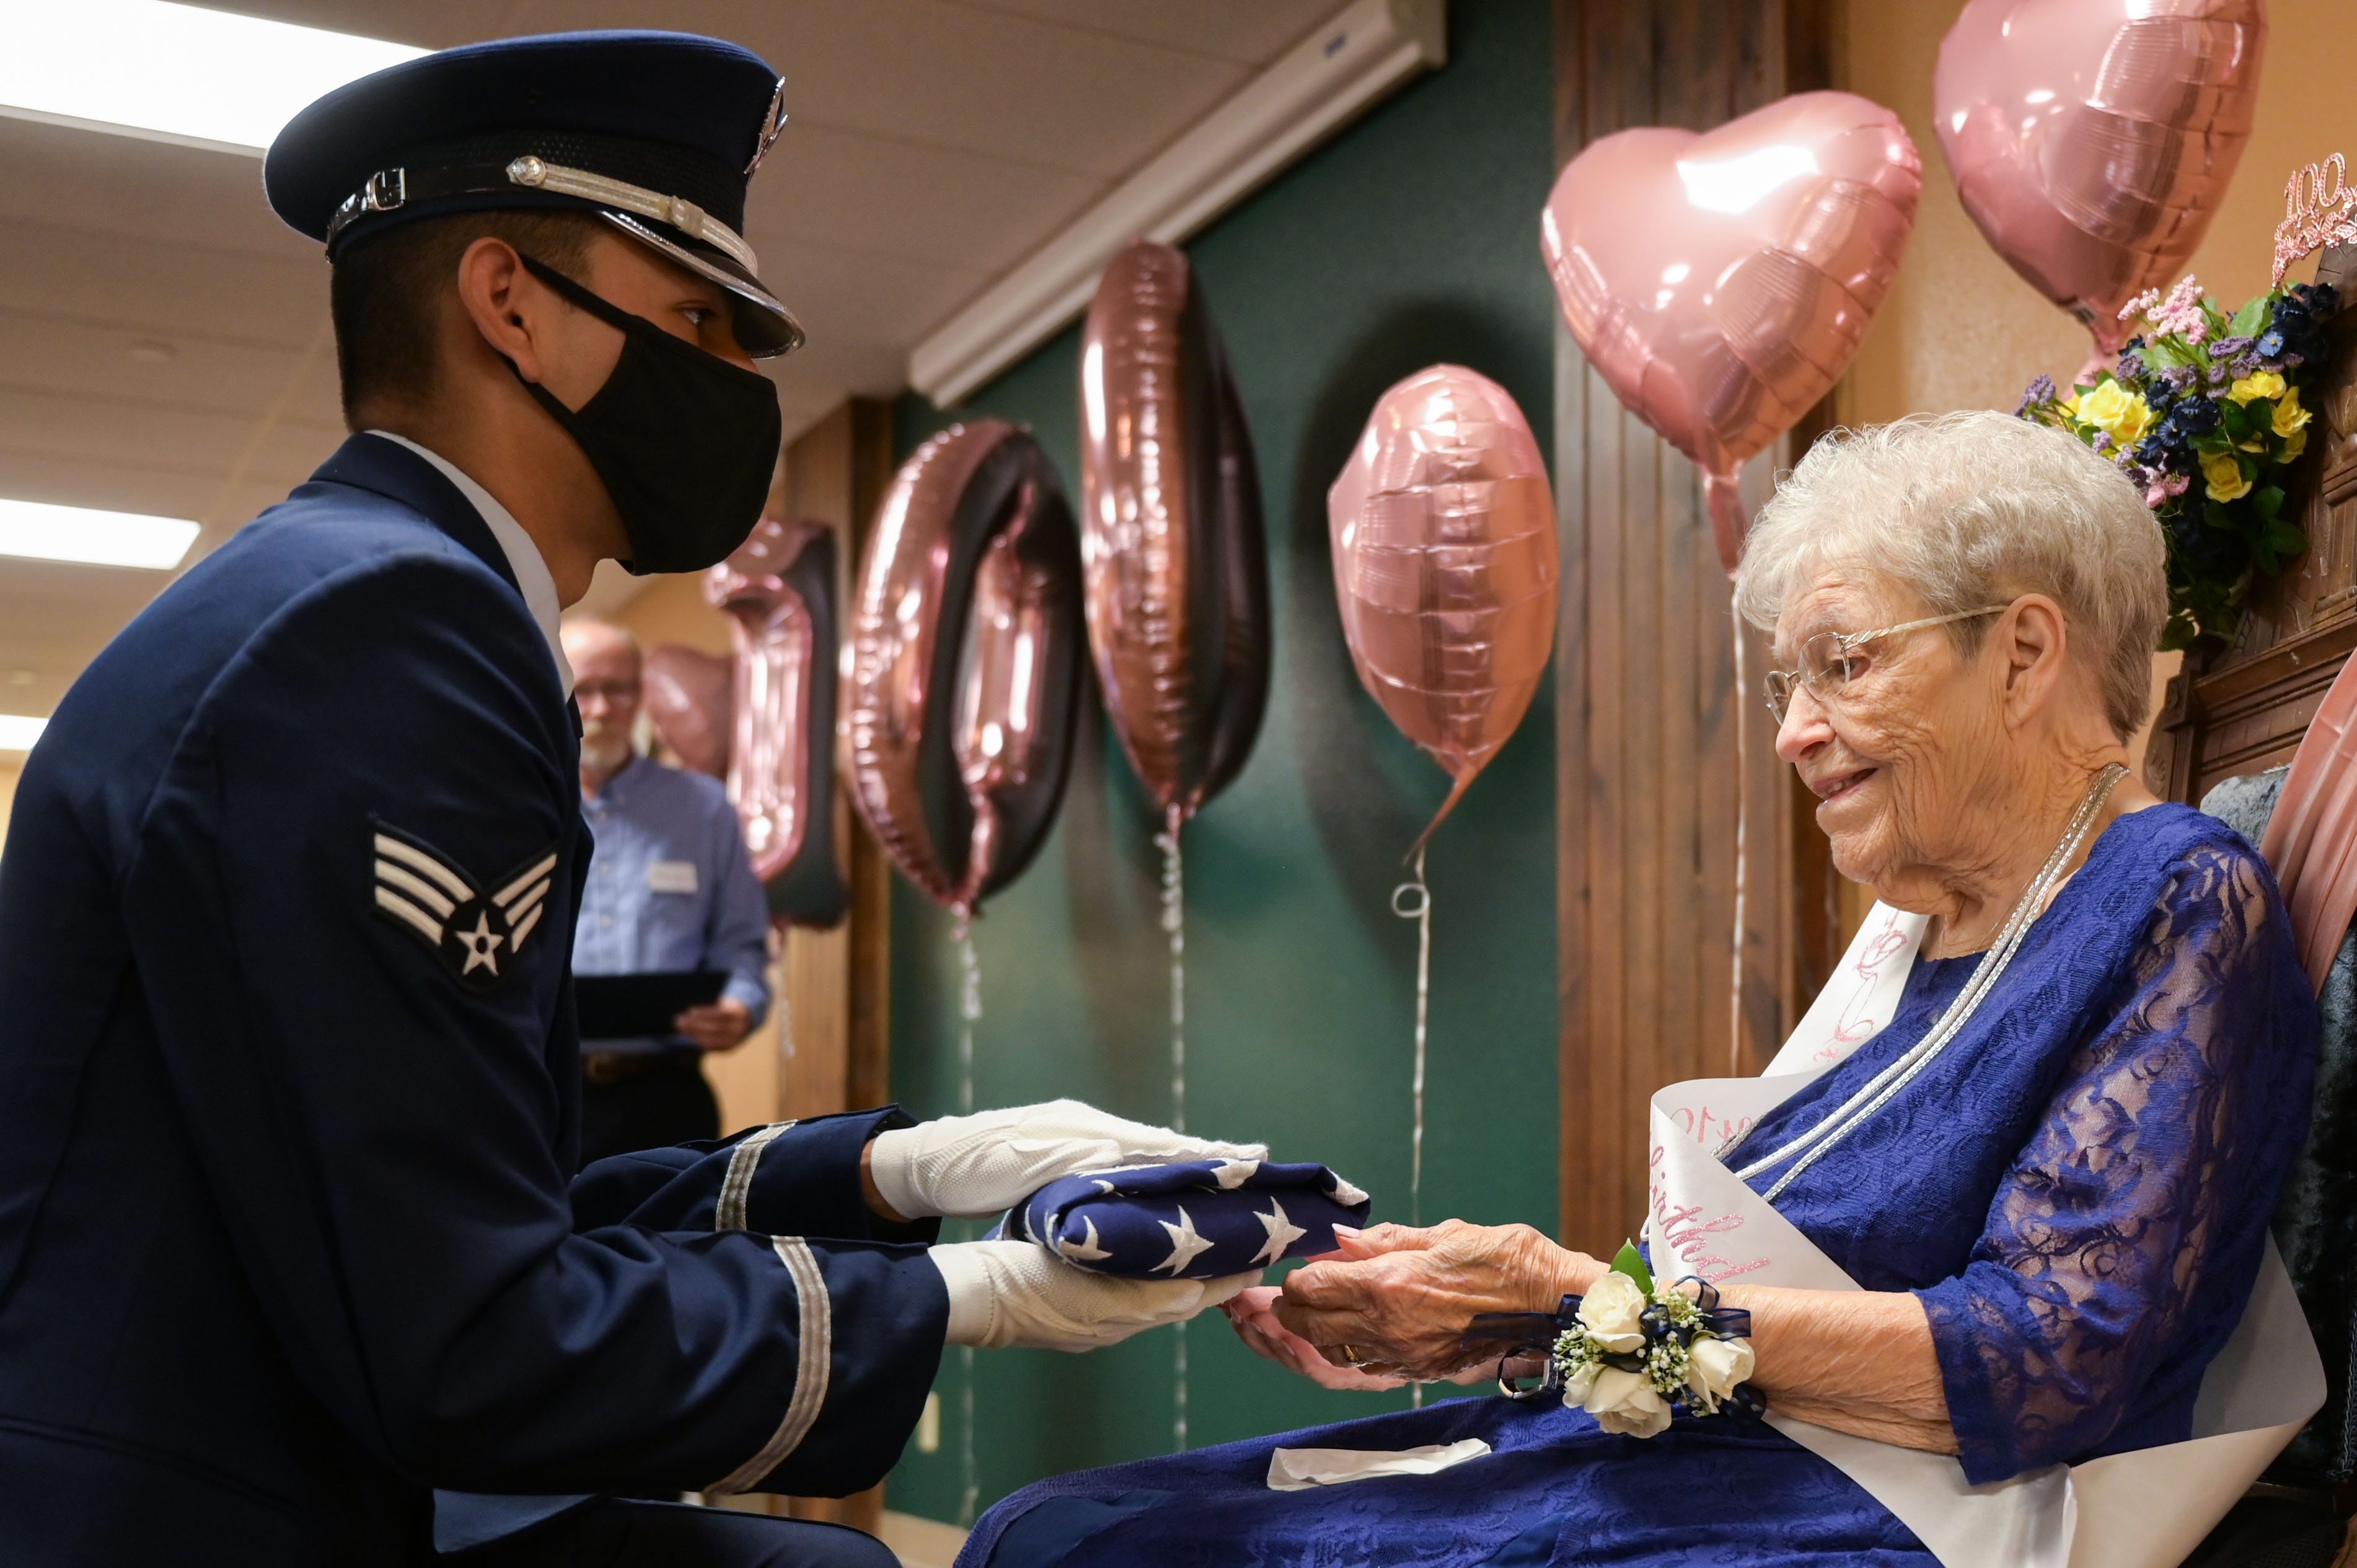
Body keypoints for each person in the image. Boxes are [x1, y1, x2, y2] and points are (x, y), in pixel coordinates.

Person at [0, 32, 1258, 1568]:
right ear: (511, 305)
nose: (739, 378)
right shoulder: (389, 628)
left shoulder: (368, 593)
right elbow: (471, 1333)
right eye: (697, 319)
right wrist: (959, 1293)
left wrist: (895, 1170)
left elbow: (485, 1207)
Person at [960, 410, 2322, 1567]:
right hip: (1711, 1454)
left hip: (1882, 1513)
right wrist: (1485, 1316)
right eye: (1789, 681)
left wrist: (1563, 1303)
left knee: (1088, 1545)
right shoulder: (1929, 928)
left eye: (1841, 664)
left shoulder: (2171, 890)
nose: (1791, 727)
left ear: (2022, 653)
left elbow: (2047, 1355)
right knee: (1056, 1521)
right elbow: (1780, 1292)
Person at [563, 618, 769, 1163]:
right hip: (543, 1098)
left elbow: (742, 944)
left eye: (620, 689)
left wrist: (741, 1005)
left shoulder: (704, 809)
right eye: (584, 690)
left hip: (666, 1104)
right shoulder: (514, 805)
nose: (603, 709)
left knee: (677, 1245)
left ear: (643, 695)